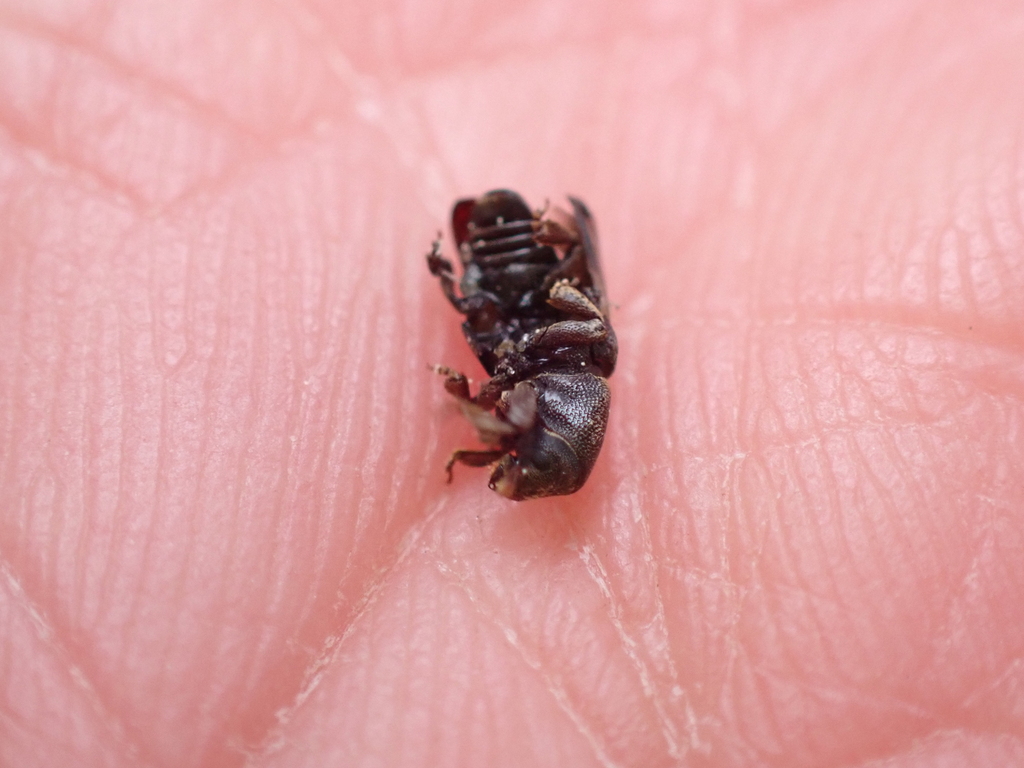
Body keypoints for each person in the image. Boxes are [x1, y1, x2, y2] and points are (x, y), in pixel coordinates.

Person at [1, 2, 1022, 766]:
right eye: (529, 456)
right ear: (556, 434)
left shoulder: (550, 376)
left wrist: (490, 358)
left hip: (509, 298)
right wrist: (517, 320)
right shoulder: (578, 361)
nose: (512, 464)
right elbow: (534, 348)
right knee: (510, 343)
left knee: (497, 344)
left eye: (520, 453)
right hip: (521, 290)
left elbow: (505, 362)